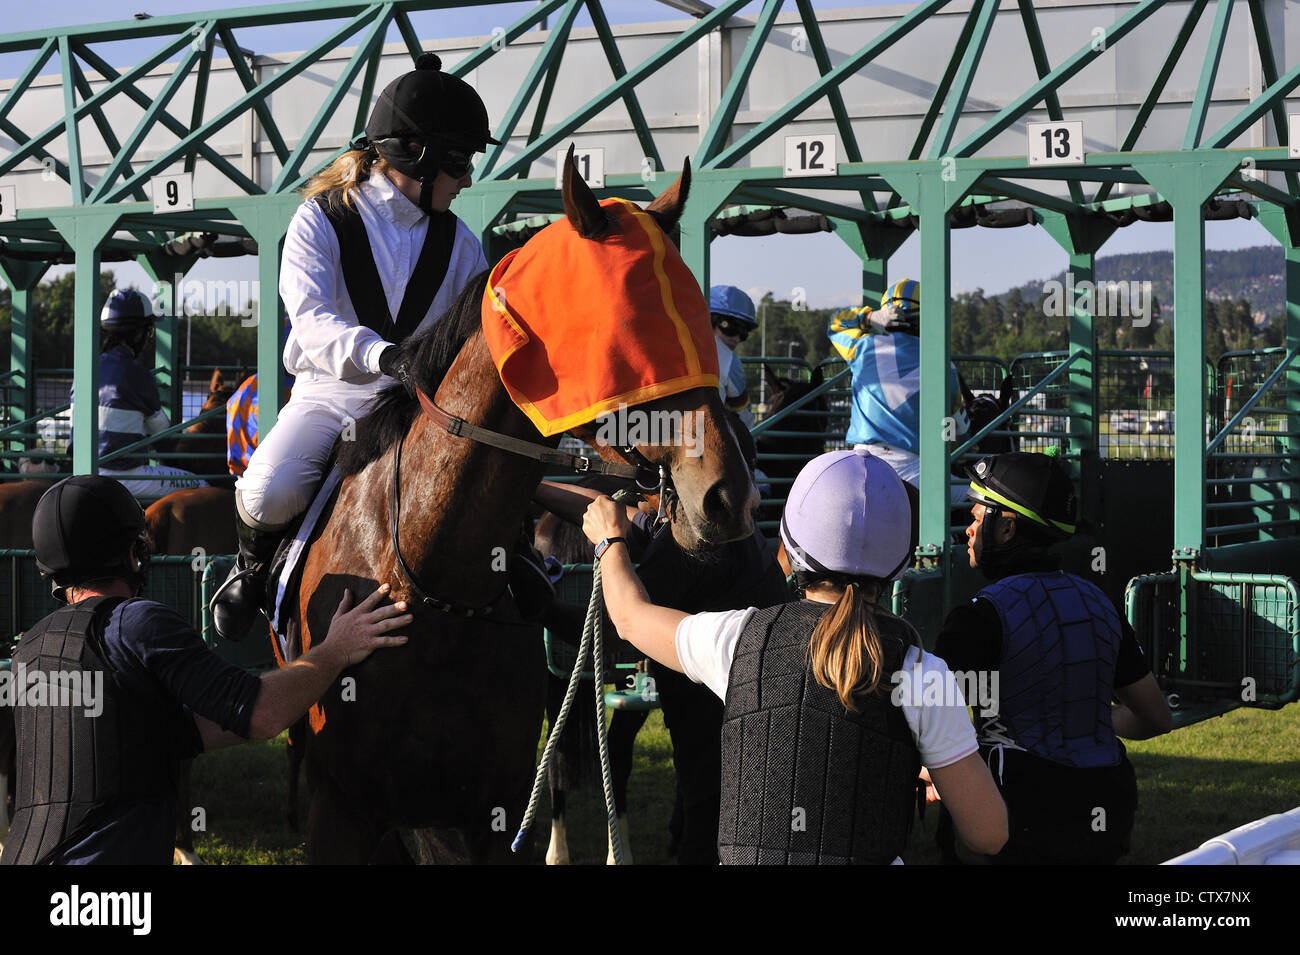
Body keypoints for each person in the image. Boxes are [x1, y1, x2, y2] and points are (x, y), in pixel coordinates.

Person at [579, 447, 1009, 864]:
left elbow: (631, 619)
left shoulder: (737, 638)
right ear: (902, 556)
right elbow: (988, 835)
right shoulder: (925, 675)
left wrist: (609, 541)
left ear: (791, 539)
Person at [211, 52, 497, 640]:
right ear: (419, 155)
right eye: (462, 161)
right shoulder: (319, 219)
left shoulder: (464, 243)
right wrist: (382, 356)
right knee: (270, 490)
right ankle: (252, 569)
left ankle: (515, 568)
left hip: (422, 405)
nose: (468, 178)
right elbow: (310, 321)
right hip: (331, 395)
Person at [1, 475, 411, 865]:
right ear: (130, 553)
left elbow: (169, 734)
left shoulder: (29, 649)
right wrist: (337, 649)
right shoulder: (138, 624)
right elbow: (262, 712)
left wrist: (305, 689)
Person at [535, 416, 786, 864]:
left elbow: (617, 634)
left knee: (707, 828)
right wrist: (530, 486)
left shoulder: (686, 554)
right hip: (761, 727)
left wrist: (545, 607)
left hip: (720, 735)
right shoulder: (734, 530)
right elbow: (614, 509)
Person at [935, 449, 1172, 864]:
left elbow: (930, 727)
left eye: (975, 518)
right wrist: (1080, 716)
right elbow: (1156, 717)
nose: (968, 531)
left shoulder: (979, 617)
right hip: (1107, 817)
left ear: (1006, 529)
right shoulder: (1100, 603)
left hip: (1018, 819)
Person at [827, 279, 970, 502]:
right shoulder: (944, 364)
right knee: (975, 497)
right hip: (913, 470)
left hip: (859, 461)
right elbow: (958, 428)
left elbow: (835, 324)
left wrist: (868, 317)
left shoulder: (860, 347)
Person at [69, 288, 205, 499]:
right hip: (125, 477)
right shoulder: (138, 374)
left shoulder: (85, 369)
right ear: (138, 333)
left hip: (80, 473)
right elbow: (163, 437)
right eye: (148, 331)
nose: (148, 338)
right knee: (202, 485)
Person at [709, 285, 757, 427]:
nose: (736, 338)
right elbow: (744, 418)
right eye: (731, 328)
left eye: (743, 333)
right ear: (711, 319)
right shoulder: (729, 359)